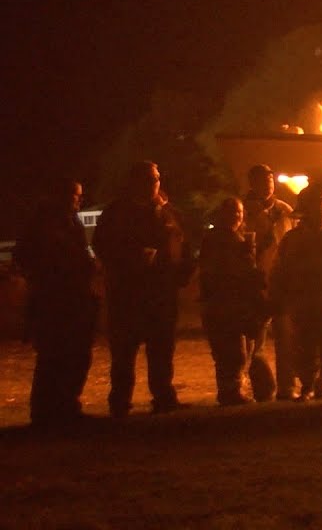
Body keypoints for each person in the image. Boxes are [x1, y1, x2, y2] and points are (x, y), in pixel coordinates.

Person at [93, 161, 194, 417]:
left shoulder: (168, 212)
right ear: (134, 182)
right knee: (124, 351)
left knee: (162, 349)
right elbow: (102, 246)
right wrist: (131, 258)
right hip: (128, 294)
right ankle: (120, 402)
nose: (154, 184)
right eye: (148, 179)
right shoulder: (117, 213)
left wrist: (181, 273)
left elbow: (184, 245)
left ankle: (163, 396)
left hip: (162, 293)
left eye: (156, 178)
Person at [15, 178, 98, 427]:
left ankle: (67, 405)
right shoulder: (43, 223)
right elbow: (26, 256)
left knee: (76, 354)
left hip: (74, 298)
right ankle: (45, 412)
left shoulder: (71, 221)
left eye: (80, 196)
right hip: (53, 301)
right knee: (54, 356)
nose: (79, 201)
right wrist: (52, 272)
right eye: (75, 196)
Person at [271, 186, 322, 401]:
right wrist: (278, 296)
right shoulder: (292, 239)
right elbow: (280, 269)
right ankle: (308, 386)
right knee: (304, 346)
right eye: (319, 204)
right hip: (302, 301)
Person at [198, 197, 273, 405]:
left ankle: (233, 389)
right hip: (222, 303)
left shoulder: (238, 237)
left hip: (235, 303)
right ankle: (229, 392)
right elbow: (222, 271)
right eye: (232, 212)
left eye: (239, 212)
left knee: (239, 350)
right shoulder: (216, 239)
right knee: (229, 351)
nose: (236, 216)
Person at [241, 164, 296, 400]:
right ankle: (261, 388)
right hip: (255, 283)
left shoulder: (285, 210)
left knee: (287, 339)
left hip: (281, 282)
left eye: (270, 180)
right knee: (255, 341)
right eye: (262, 180)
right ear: (252, 183)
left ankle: (287, 388)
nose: (268, 184)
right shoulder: (242, 210)